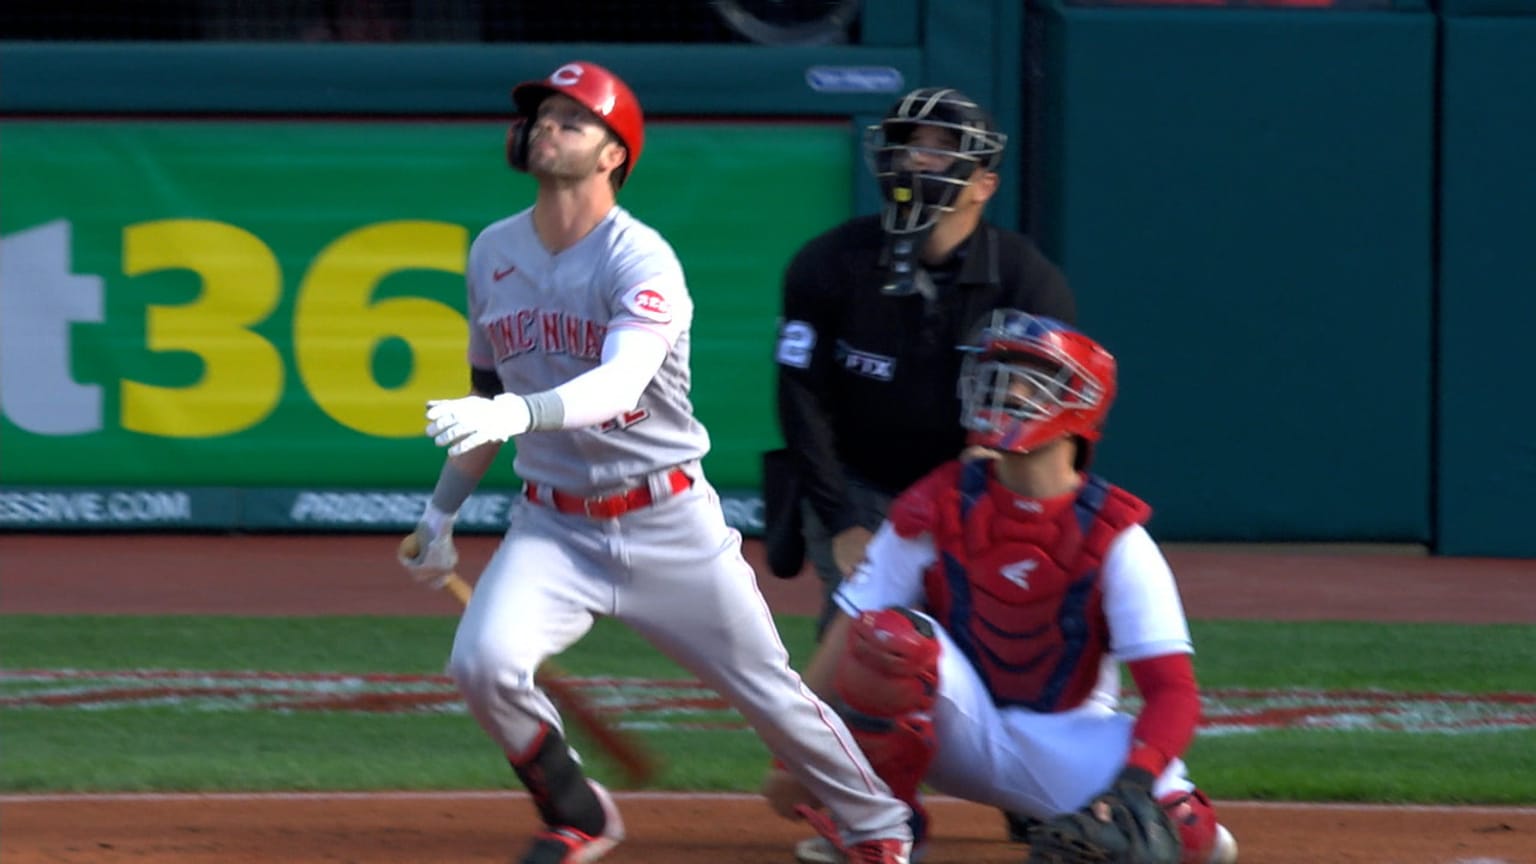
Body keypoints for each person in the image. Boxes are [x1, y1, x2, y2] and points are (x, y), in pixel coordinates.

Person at [397, 60, 915, 864]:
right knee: (482, 664)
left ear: (614, 153)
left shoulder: (641, 259)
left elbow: (616, 384)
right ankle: (577, 812)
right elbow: (487, 394)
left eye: (573, 118)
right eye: (543, 115)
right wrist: (440, 513)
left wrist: (512, 411)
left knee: (770, 695)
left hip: (666, 520)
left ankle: (878, 828)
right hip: (553, 525)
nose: (548, 127)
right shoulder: (493, 252)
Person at [762, 311, 1239, 864]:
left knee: (1190, 834)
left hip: (1069, 731)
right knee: (890, 638)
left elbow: (1172, 691)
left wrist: (1134, 783)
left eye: (1029, 377)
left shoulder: (1118, 537)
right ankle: (885, 827)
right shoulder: (937, 503)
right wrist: (791, 758)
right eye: (998, 372)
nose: (1003, 389)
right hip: (961, 724)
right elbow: (851, 627)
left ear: (1079, 404)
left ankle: (1070, 813)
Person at [771, 86, 1078, 638]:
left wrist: (995, 485)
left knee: (985, 644)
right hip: (858, 484)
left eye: (943, 147)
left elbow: (1057, 409)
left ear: (985, 184)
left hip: (978, 485)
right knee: (865, 648)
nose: (920, 159)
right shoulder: (828, 262)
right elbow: (800, 398)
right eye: (912, 144)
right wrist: (841, 521)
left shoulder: (1026, 279)